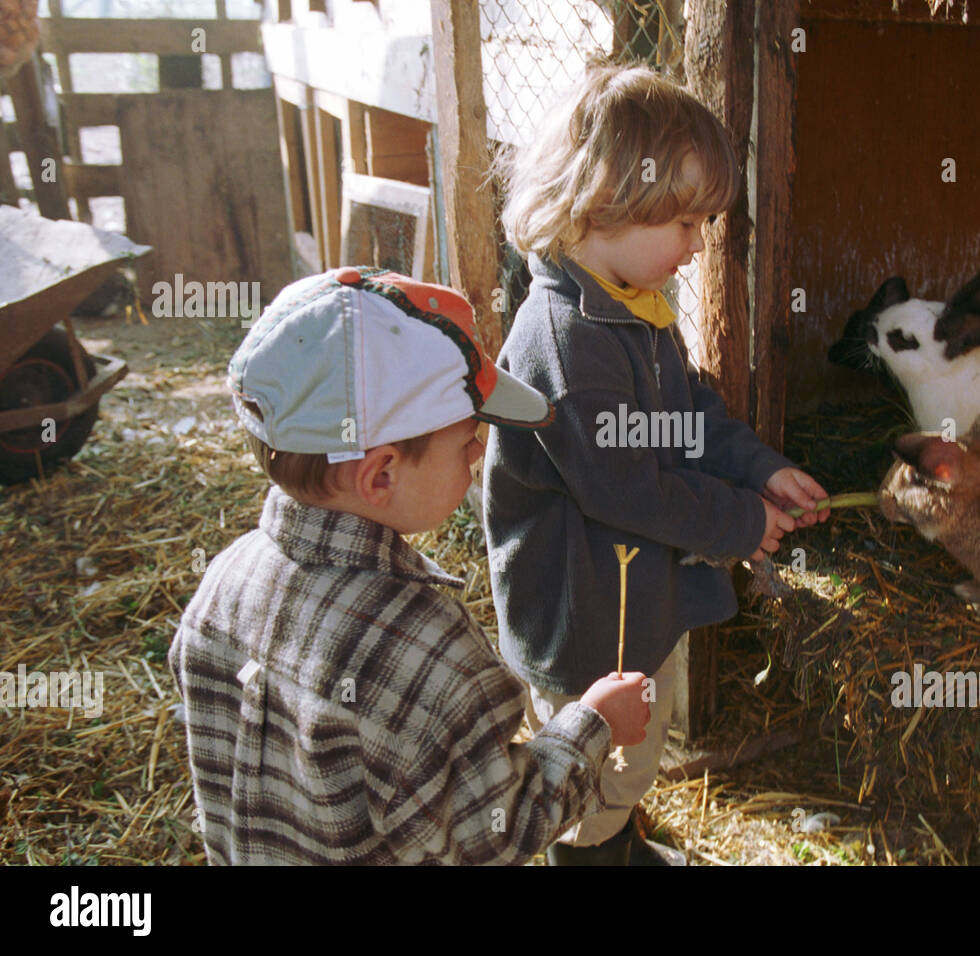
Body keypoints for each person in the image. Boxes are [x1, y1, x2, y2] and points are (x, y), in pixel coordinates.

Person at [168, 266, 651, 865]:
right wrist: (592, 727)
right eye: (466, 439)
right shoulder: (431, 655)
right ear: (381, 475)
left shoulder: (220, 586)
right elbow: (495, 834)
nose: (480, 452)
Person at [485, 64, 830, 866]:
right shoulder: (566, 345)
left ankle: (620, 839)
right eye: (686, 223)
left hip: (637, 598)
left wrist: (756, 470)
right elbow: (628, 489)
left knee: (633, 756)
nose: (698, 245)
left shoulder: (633, 308)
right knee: (591, 773)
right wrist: (742, 522)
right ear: (607, 204)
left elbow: (690, 414)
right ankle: (594, 857)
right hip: (586, 621)